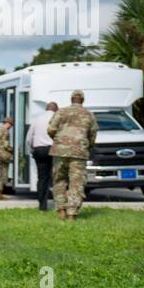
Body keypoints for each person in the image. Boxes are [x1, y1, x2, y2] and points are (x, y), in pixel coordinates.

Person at [48, 89, 98, 221]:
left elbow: (51, 129)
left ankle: (61, 210)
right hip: (79, 153)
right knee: (76, 183)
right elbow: (93, 134)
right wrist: (87, 145)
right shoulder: (89, 115)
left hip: (59, 151)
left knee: (59, 180)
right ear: (82, 100)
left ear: (71, 99)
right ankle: (72, 214)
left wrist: (59, 141)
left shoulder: (61, 112)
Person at [26, 101, 57, 210]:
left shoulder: (37, 119)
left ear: (46, 109)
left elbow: (29, 137)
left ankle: (42, 205)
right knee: (56, 176)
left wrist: (31, 149)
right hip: (53, 149)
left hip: (39, 150)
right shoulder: (57, 118)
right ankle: (58, 202)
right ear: (56, 110)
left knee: (42, 177)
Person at [0, 116, 14, 199]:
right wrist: (13, 149)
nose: (11, 127)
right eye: (11, 125)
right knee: (4, 175)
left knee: (1, 173)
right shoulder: (5, 131)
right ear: (8, 123)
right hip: (4, 154)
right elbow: (6, 145)